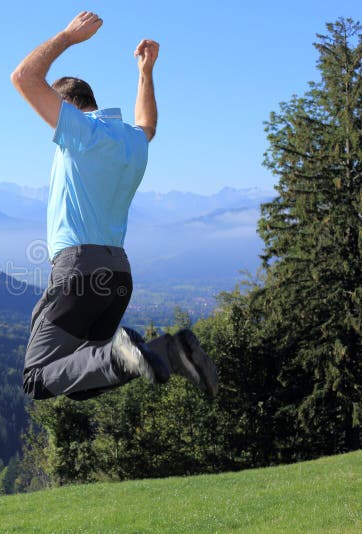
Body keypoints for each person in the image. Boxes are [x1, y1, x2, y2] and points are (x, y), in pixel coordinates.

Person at [11, 11, 218, 401]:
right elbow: (148, 124)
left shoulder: (80, 132)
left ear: (67, 105)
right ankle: (168, 351)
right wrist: (146, 71)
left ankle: (121, 355)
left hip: (79, 270)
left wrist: (68, 36)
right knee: (80, 381)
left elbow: (23, 77)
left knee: (36, 377)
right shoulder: (130, 141)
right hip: (117, 276)